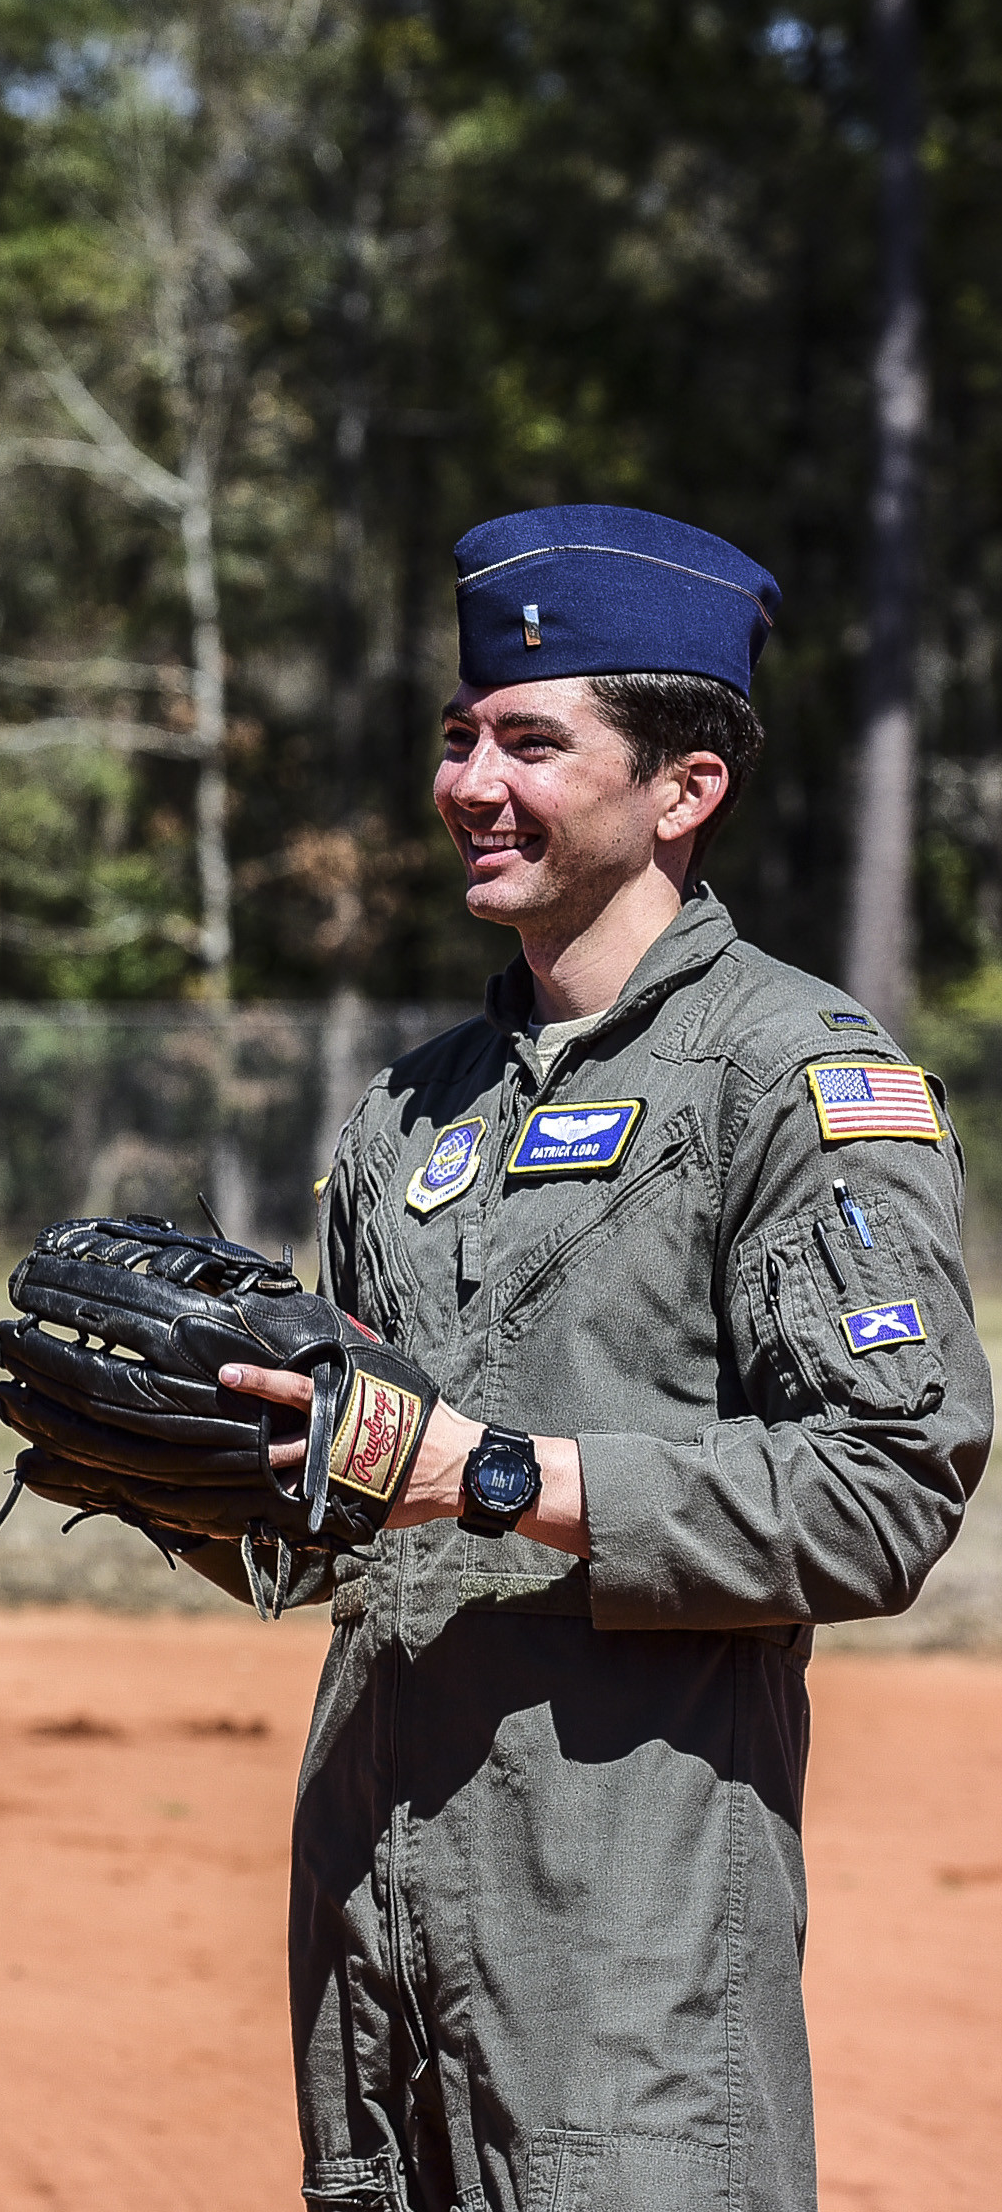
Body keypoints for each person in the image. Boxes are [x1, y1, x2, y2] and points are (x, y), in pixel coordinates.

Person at [208, 504, 988, 2211]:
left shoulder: (789, 1078)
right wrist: (210, 1471)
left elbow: (881, 1486)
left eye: (528, 741)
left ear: (680, 790)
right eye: (456, 736)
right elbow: (335, 1525)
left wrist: (488, 1475)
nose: (469, 781)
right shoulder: (409, 1106)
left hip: (617, 1957)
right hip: (371, 1924)